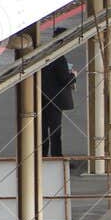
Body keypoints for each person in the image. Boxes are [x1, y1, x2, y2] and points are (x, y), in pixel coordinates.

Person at [40, 27, 76, 159]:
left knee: (43, 129)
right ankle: (56, 156)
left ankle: (42, 155)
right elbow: (64, 79)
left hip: (42, 98)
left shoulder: (44, 53)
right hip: (55, 100)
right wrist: (73, 75)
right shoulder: (59, 57)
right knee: (55, 130)